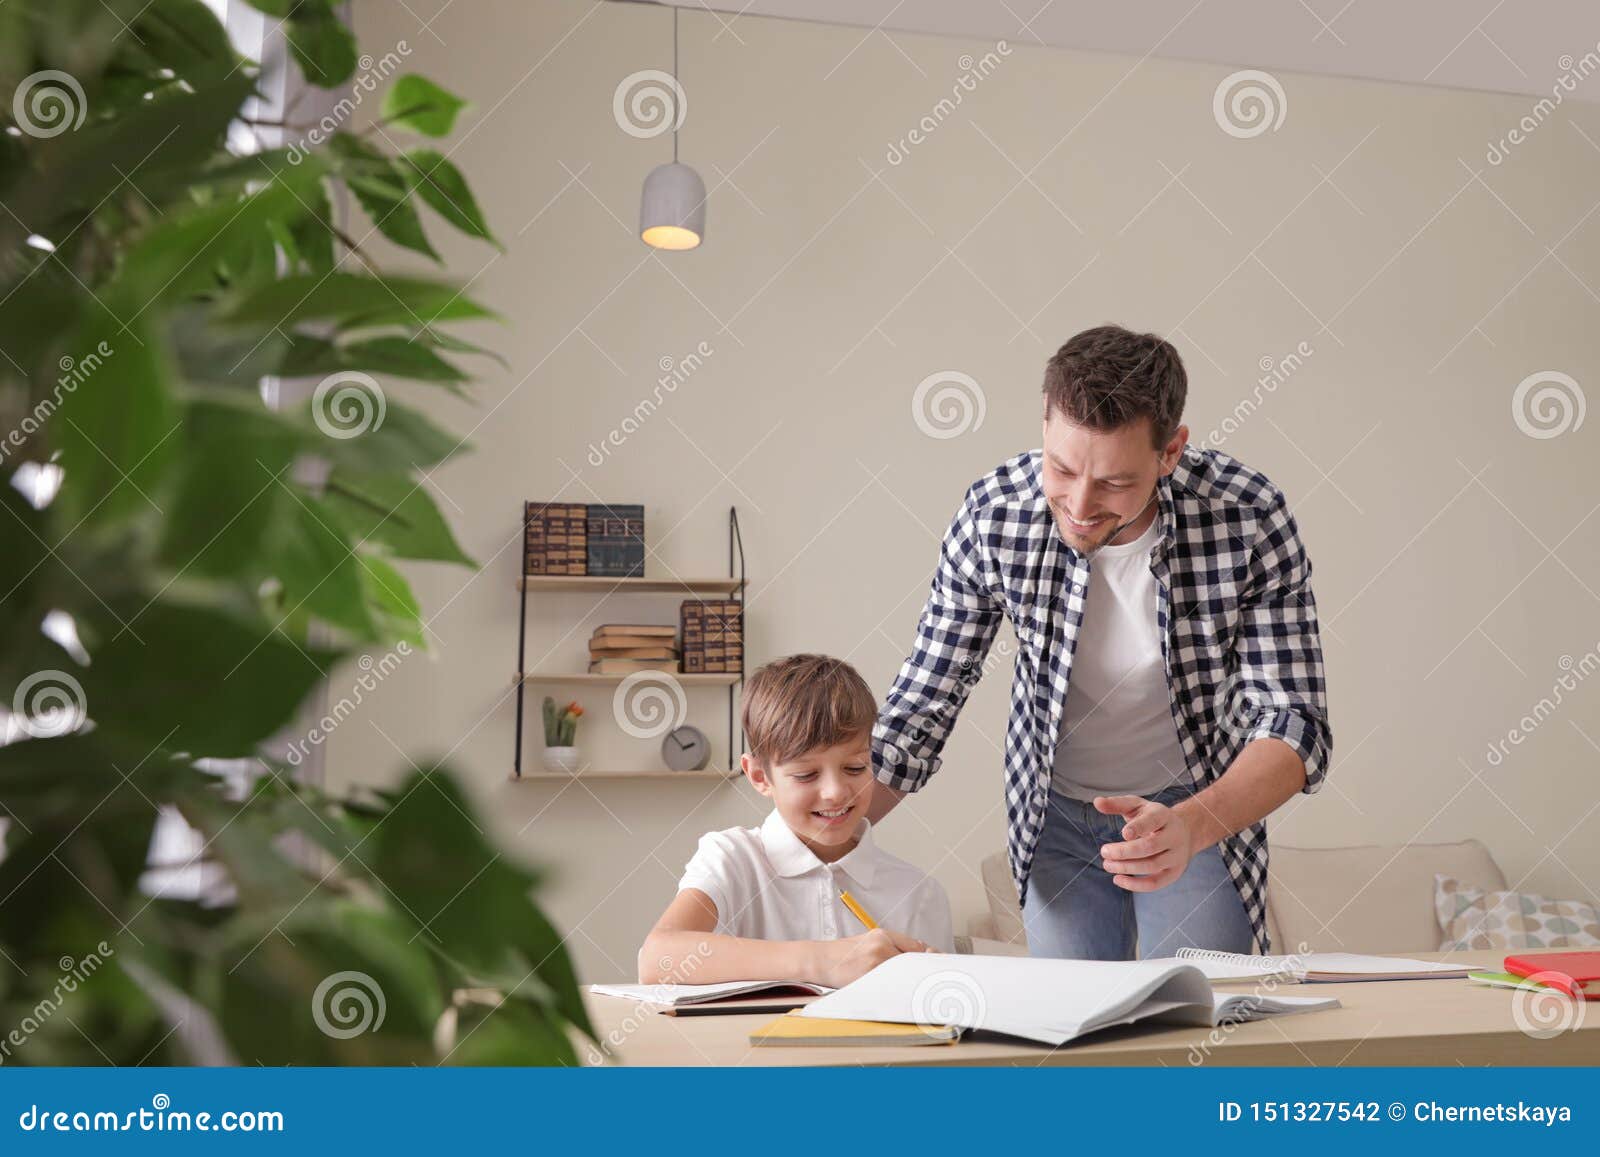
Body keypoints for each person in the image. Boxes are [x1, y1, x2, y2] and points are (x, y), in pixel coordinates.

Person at [870, 324, 1332, 960]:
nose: (1080, 505)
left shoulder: (1246, 516)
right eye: (1061, 468)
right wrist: (816, 825)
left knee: (1200, 1021)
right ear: (1044, 423)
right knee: (1073, 1040)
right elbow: (926, 699)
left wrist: (1193, 824)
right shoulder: (994, 515)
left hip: (1194, 805)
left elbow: (1294, 723)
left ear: (1171, 451)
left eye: (1115, 482)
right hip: (1054, 815)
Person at [639, 653, 953, 986]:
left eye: (855, 768)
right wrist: (823, 962)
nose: (834, 792)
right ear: (760, 776)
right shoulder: (733, 858)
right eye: (806, 774)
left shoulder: (918, 893)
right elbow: (657, 959)